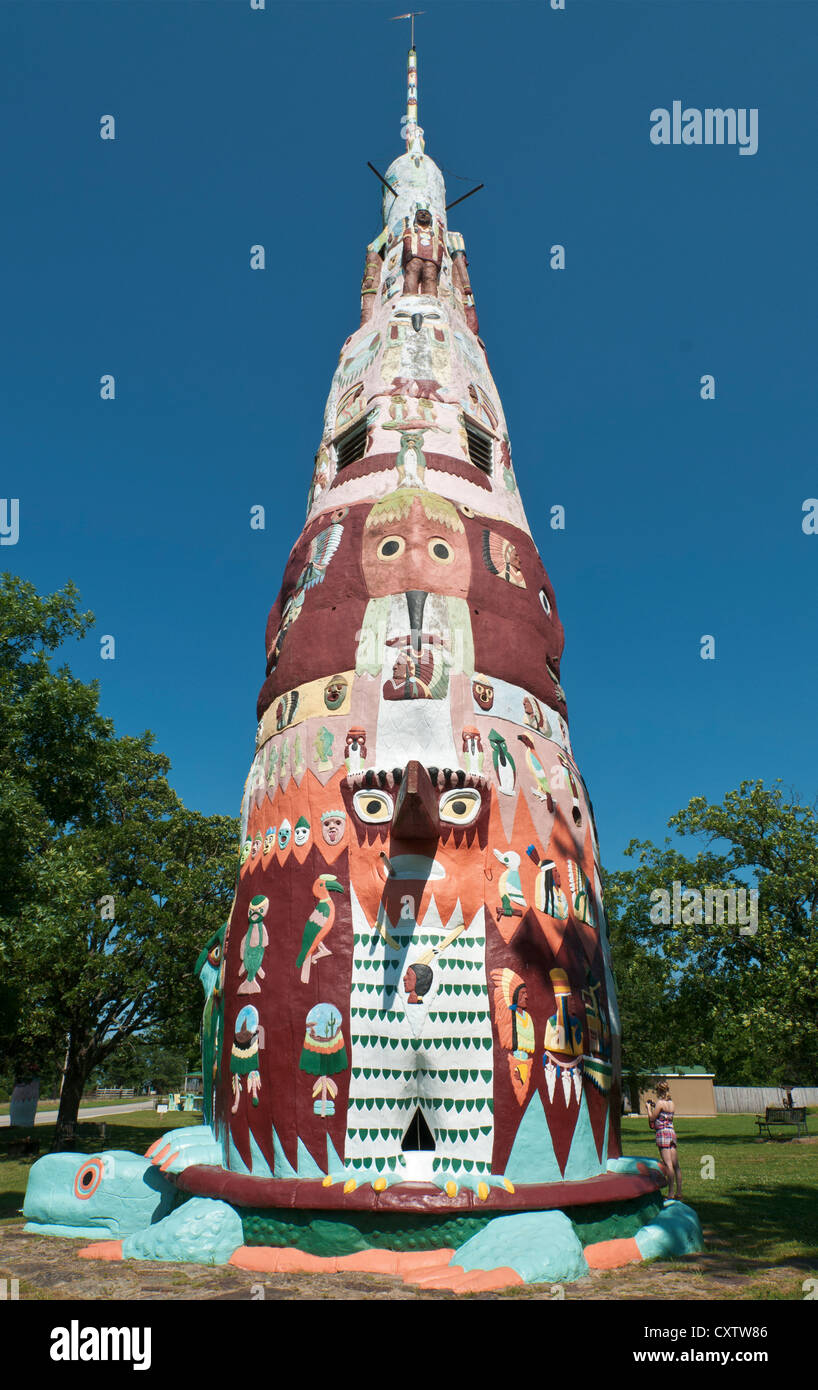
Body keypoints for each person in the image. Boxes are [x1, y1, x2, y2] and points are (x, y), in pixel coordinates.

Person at [645, 1081, 682, 1199]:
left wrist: (648, 1109)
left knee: (668, 1164)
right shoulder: (671, 1103)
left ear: (659, 1091)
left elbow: (652, 1118)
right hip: (672, 1133)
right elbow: (664, 1115)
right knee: (676, 1165)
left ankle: (670, 1194)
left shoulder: (660, 1103)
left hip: (663, 1134)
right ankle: (679, 1192)